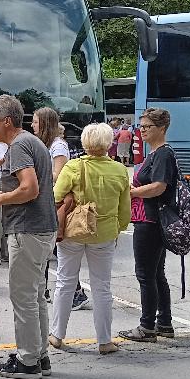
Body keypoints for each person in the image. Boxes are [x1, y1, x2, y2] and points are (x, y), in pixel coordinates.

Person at [0, 94, 57, 379]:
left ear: (7, 121)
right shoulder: (31, 142)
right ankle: (38, 354)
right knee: (35, 294)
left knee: (23, 296)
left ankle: (28, 361)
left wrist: (1, 198)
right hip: (41, 228)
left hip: (28, 229)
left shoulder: (19, 146)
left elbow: (29, 189)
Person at [49, 123, 131, 354]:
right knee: (102, 287)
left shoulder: (74, 166)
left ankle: (57, 335)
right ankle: (104, 341)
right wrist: (118, 229)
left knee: (65, 282)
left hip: (74, 231)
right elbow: (125, 209)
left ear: (85, 143)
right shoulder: (118, 170)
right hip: (104, 234)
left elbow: (56, 195)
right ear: (108, 143)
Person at [119, 107, 178, 343]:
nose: (141, 131)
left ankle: (147, 326)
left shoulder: (162, 153)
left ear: (161, 129)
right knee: (156, 273)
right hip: (149, 218)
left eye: (146, 127)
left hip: (150, 219)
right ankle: (164, 322)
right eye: (140, 127)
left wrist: (131, 193)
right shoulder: (155, 153)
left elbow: (158, 186)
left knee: (145, 274)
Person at [32, 107, 88, 310]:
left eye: (36, 122)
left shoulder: (58, 146)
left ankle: (74, 293)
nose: (33, 125)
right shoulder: (46, 144)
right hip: (46, 200)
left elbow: (60, 174)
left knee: (53, 246)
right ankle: (59, 291)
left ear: (45, 124)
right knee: (49, 247)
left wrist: (35, 178)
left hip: (55, 202)